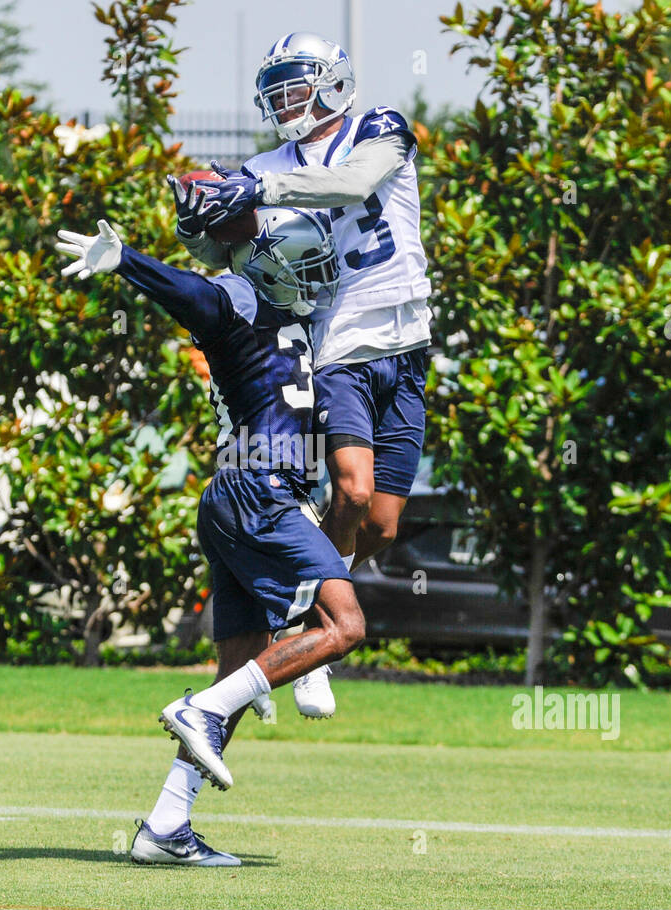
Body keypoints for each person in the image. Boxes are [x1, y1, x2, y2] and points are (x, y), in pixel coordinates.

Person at [56, 206, 366, 867]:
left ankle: (165, 828)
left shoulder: (294, 314)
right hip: (260, 489)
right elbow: (196, 295)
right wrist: (129, 262)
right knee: (343, 627)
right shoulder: (240, 299)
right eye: (306, 265)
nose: (317, 276)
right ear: (275, 268)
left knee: (239, 668)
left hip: (239, 492)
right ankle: (201, 710)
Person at [173, 31, 431, 721]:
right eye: (278, 87)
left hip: (406, 347)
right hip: (339, 343)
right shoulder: (263, 165)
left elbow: (352, 182)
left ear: (335, 82)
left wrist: (261, 185)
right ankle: (318, 629)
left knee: (380, 523)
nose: (287, 100)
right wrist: (198, 216)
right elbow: (220, 246)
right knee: (349, 488)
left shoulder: (379, 127)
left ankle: (312, 603)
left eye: (298, 83)